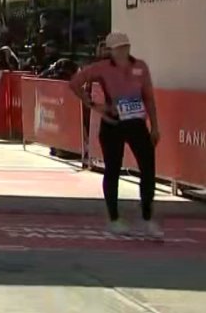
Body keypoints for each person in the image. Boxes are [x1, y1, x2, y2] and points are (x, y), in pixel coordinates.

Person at [69, 32, 162, 238]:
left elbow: (149, 97)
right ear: (110, 51)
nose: (123, 51)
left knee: (148, 167)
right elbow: (74, 83)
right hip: (113, 124)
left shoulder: (140, 66)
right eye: (119, 48)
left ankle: (147, 217)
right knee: (112, 169)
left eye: (126, 47)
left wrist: (155, 126)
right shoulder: (102, 68)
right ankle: (114, 219)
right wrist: (94, 105)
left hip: (137, 123)